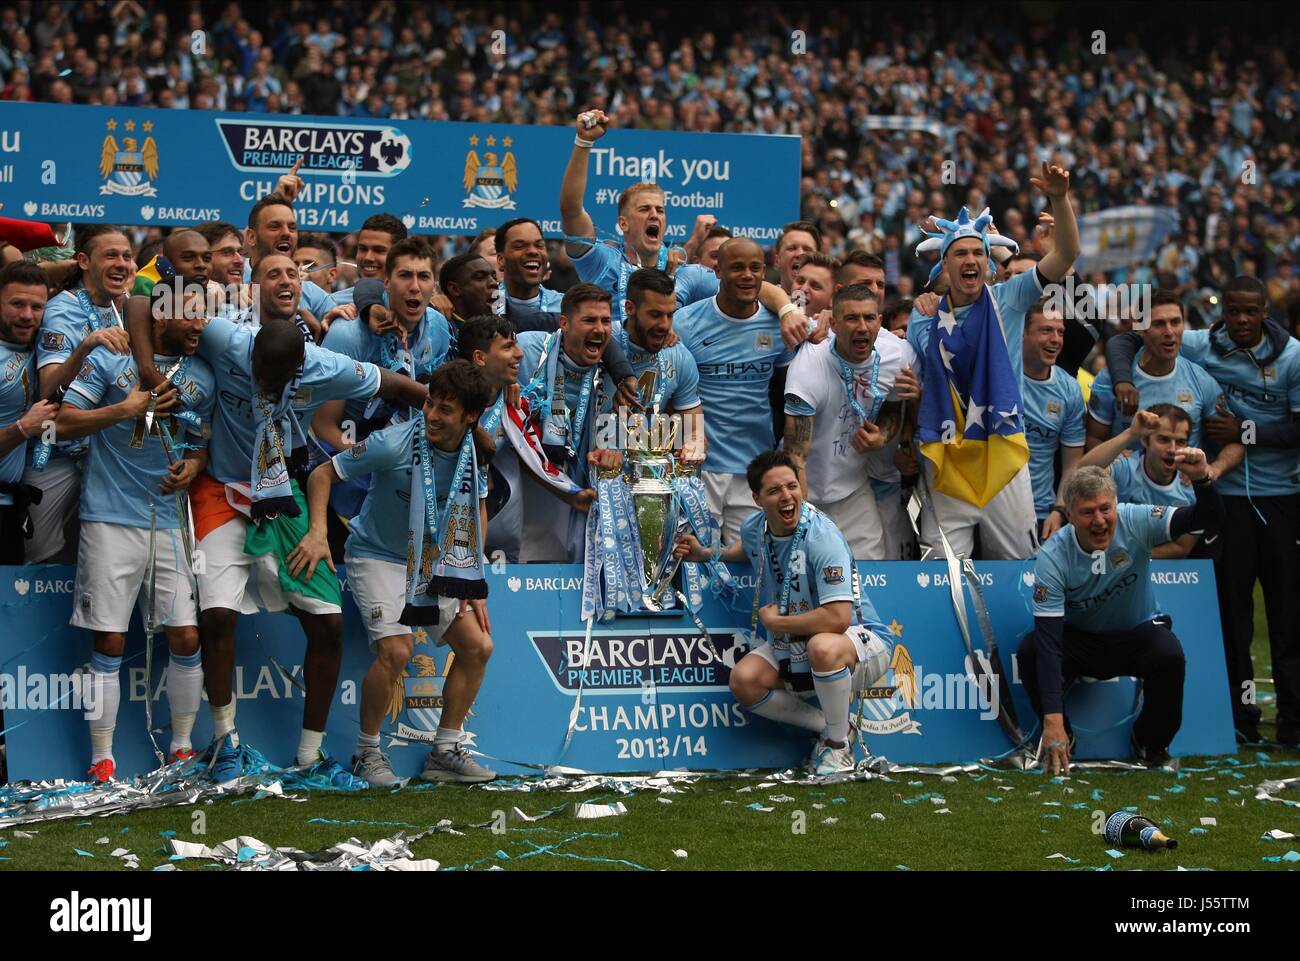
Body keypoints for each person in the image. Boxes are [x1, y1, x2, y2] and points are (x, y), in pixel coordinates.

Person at [179, 307, 428, 785]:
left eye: (276, 380)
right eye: (259, 375)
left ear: (298, 370)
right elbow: (149, 307)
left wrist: (447, 411)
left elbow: (394, 385)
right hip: (220, 490)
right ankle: (224, 743)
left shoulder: (324, 365)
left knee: (329, 622)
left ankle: (310, 757)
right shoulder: (224, 338)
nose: (264, 385)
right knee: (215, 615)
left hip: (280, 492)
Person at [1106, 276, 1300, 746]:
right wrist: (1124, 377)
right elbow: (1124, 338)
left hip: (1283, 498)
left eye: (1250, 312)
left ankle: (1293, 720)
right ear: (1221, 313)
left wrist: (1246, 429)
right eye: (1232, 311)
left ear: (1264, 313)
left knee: (1287, 613)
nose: (1240, 321)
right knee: (1233, 618)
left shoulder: (1293, 356)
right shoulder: (1202, 343)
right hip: (1227, 501)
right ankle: (1241, 713)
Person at [293, 361, 497, 785]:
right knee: (398, 652)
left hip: (430, 560)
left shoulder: (473, 453)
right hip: (377, 555)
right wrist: (316, 532)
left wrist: (471, 576)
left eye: (446, 410)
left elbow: (477, 507)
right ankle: (366, 753)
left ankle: (444, 751)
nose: (433, 416)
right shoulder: (394, 442)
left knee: (478, 647)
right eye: (430, 405)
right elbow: (322, 473)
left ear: (471, 417)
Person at [56, 278, 215, 780]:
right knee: (109, 642)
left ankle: (182, 748)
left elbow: (198, 442)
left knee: (187, 637)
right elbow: (60, 421)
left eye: (204, 314)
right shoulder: (111, 359)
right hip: (108, 518)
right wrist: (122, 410)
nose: (199, 324)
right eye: (190, 313)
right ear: (159, 316)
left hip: (168, 522)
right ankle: (102, 760)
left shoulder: (203, 377)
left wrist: (192, 466)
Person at [673, 450, 895, 776]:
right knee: (744, 680)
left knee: (822, 645)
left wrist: (778, 623)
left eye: (792, 486)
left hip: (862, 642)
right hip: (794, 644)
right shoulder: (757, 527)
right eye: (775, 491)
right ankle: (834, 727)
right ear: (757, 499)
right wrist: (705, 553)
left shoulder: (822, 538)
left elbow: (838, 619)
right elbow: (743, 549)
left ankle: (837, 749)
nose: (787, 495)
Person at [907, 165, 1081, 560]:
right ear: (944, 267)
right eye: (960, 253)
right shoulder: (923, 315)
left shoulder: (1010, 298)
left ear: (988, 264)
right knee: (940, 575)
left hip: (1002, 457)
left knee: (1019, 570)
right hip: (946, 459)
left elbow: (1067, 253)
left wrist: (1059, 197)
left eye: (977, 253)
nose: (970, 260)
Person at [1024, 460, 1225, 774]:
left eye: (1106, 508)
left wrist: (1202, 479)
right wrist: (1052, 721)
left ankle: (1150, 742)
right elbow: (1049, 642)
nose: (1100, 520)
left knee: (1168, 652)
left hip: (1136, 633)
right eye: (1088, 512)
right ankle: (1063, 739)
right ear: (1071, 515)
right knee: (1032, 649)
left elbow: (1208, 517)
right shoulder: (1053, 556)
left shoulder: (1136, 519)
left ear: (1117, 505)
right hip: (1082, 640)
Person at [25, 224, 135, 563]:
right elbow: (49, 391)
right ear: (84, 260)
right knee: (39, 555)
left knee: (107, 555)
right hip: (57, 453)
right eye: (111, 255)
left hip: (106, 454)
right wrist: (85, 346)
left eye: (127, 256)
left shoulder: (128, 306)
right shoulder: (63, 310)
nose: (122, 263)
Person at [784, 284, 917, 559]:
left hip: (855, 491)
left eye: (869, 318)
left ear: (880, 322)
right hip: (806, 497)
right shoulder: (808, 368)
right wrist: (800, 518)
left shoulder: (896, 355)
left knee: (872, 575)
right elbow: (796, 457)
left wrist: (883, 435)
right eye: (851, 318)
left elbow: (893, 406)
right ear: (833, 323)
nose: (862, 327)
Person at [675, 238, 796, 541]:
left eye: (755, 268)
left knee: (752, 568)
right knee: (697, 568)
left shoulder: (777, 326)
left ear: (764, 271)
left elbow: (784, 393)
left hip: (755, 470)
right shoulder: (685, 323)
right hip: (700, 470)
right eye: (737, 267)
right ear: (718, 271)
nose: (747, 275)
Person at [514, 282, 624, 562]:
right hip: (527, 492)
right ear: (564, 323)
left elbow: (614, 437)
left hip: (581, 495)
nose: (599, 329)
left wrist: (611, 453)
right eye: (589, 320)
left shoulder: (615, 375)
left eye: (605, 320)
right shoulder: (527, 351)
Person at [1078, 405, 1238, 559]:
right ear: (1145, 441)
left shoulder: (1191, 485)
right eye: (1164, 439)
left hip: (1154, 566)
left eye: (1180, 442)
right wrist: (1130, 434)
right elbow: (1083, 471)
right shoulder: (1126, 468)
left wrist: (1128, 557)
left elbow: (1181, 548)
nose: (1172, 449)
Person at [560, 109, 668, 324]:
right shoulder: (601, 261)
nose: (654, 215)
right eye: (644, 209)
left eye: (660, 210)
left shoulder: (678, 267)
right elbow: (571, 209)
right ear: (623, 223)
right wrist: (583, 142)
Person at [1086, 290, 1224, 454]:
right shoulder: (1111, 379)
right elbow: (1093, 438)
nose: (1169, 332)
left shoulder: (1201, 380)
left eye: (1175, 322)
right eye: (1159, 324)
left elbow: (1230, 442)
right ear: (1141, 328)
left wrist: (1211, 470)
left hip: (1184, 480)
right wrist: (1117, 460)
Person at [602, 268, 706, 463]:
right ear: (630, 308)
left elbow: (694, 430)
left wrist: (693, 446)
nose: (665, 325)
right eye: (655, 315)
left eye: (670, 315)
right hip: (588, 469)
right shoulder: (600, 338)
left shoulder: (680, 356)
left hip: (648, 479)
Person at [0, 261, 58, 564]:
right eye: (16, 304)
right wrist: (23, 429)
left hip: (12, 507)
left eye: (37, 306)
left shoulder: (39, 346)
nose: (27, 315)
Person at [457, 314, 525, 562]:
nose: (520, 354)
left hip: (500, 536)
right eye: (508, 347)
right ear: (480, 358)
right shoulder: (445, 405)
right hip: (447, 526)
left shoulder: (516, 402)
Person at [1022, 300, 1086, 541]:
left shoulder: (1069, 390)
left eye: (1060, 332)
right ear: (1024, 332)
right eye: (1046, 330)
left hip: (1041, 511)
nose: (1056, 339)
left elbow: (1072, 463)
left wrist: (1060, 510)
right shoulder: (1001, 373)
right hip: (990, 507)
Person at [325, 213, 407, 306]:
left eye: (379, 250)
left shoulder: (416, 305)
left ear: (401, 255)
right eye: (363, 249)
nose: (368, 257)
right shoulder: (333, 304)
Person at [495, 217, 564, 313]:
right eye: (519, 246)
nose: (533, 251)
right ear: (501, 260)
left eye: (539, 245)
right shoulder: (484, 304)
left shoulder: (564, 307)